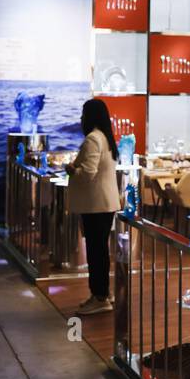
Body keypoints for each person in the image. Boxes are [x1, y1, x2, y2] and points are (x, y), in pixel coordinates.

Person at [67, 99, 122, 316]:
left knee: (96, 252)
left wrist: (71, 170)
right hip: (105, 204)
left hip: (95, 205)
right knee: (100, 251)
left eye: (83, 114)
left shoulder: (92, 139)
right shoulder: (106, 138)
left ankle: (99, 296)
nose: (81, 118)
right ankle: (103, 294)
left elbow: (88, 173)